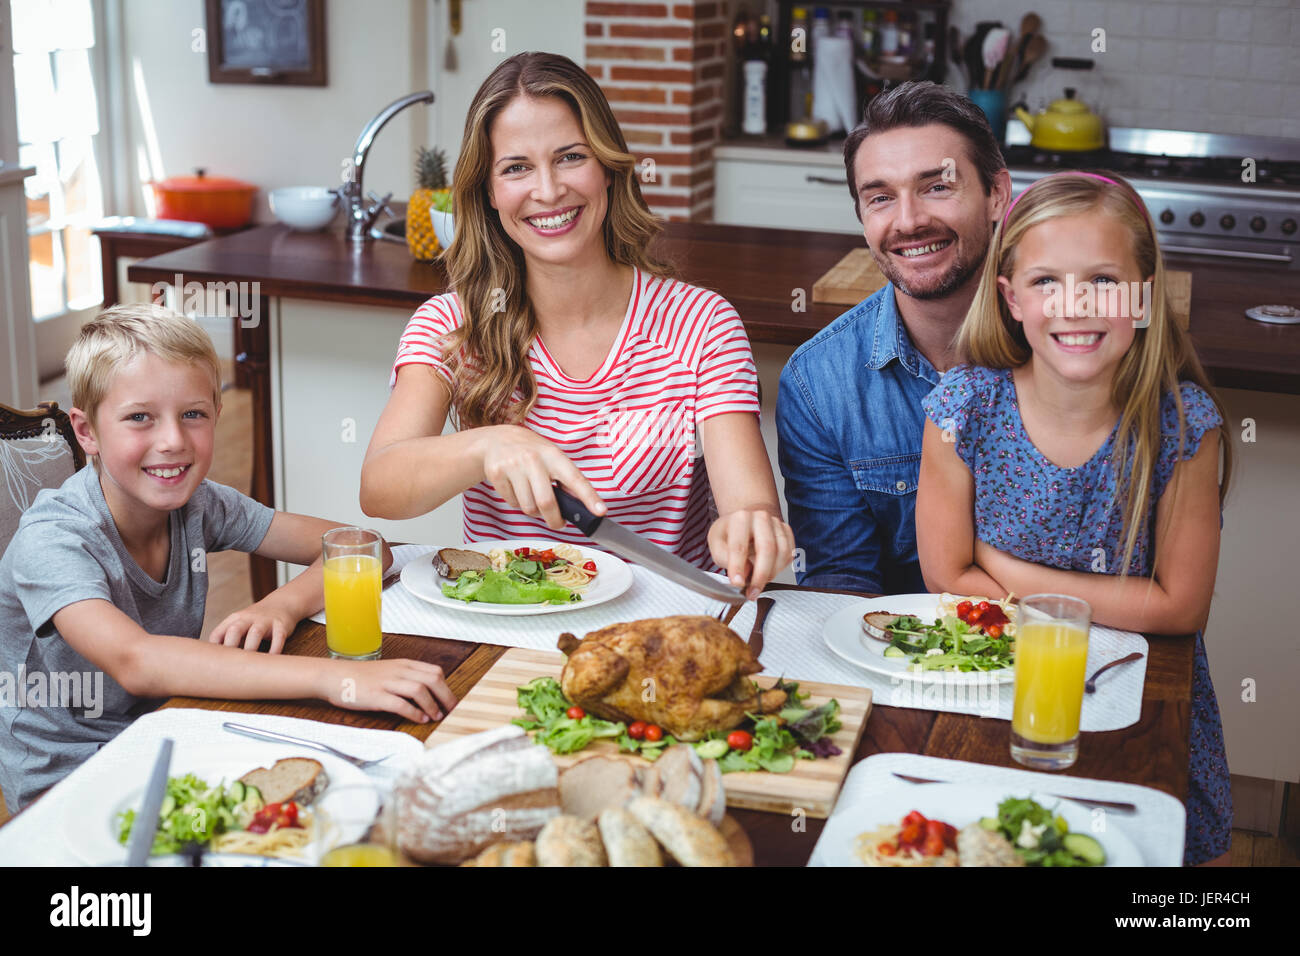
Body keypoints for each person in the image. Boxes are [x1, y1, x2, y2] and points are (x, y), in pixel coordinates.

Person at [362, 52, 793, 597]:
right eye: (516, 167)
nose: (547, 191)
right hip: (505, 627)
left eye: (570, 157)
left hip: (660, 629)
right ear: (489, 194)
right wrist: (489, 445)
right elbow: (380, 487)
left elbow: (748, 504)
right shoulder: (451, 325)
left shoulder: (702, 323)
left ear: (607, 169)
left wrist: (751, 527)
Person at [0, 305, 455, 811]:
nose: (172, 441)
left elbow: (365, 547)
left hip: (170, 726)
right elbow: (138, 662)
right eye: (139, 418)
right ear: (86, 432)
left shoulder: (202, 504)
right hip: (68, 776)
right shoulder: (54, 540)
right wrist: (336, 680)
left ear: (217, 412)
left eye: (192, 414)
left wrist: (279, 606)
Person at [917, 172, 1233, 865]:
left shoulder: (1182, 427)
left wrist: (1002, 569)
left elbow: (1179, 607)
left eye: (1103, 280)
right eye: (1047, 282)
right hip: (998, 689)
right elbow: (946, 573)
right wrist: (1095, 601)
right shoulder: (963, 408)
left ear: (1144, 297)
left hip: (1138, 700)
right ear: (1011, 300)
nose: (1076, 305)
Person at [777, 82, 1011, 593]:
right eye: (881, 197)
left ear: (997, 194)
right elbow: (838, 582)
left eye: (937, 186)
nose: (908, 221)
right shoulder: (819, 382)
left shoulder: (1070, 351)